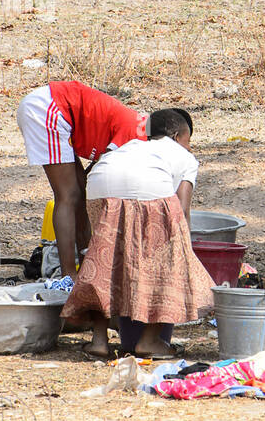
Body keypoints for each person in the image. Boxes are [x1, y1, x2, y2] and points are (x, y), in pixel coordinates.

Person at [62, 108, 214, 359]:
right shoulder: (185, 157)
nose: (188, 148)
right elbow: (183, 208)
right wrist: (183, 251)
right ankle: (150, 341)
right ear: (177, 137)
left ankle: (99, 341)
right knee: (165, 261)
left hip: (100, 182)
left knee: (105, 259)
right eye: (188, 142)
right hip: (149, 189)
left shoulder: (130, 146)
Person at [16, 81, 150, 280]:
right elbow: (105, 172)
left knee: (81, 195)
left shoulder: (142, 131)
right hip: (49, 109)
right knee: (68, 196)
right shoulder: (137, 134)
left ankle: (86, 267)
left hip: (59, 113)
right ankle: (69, 276)